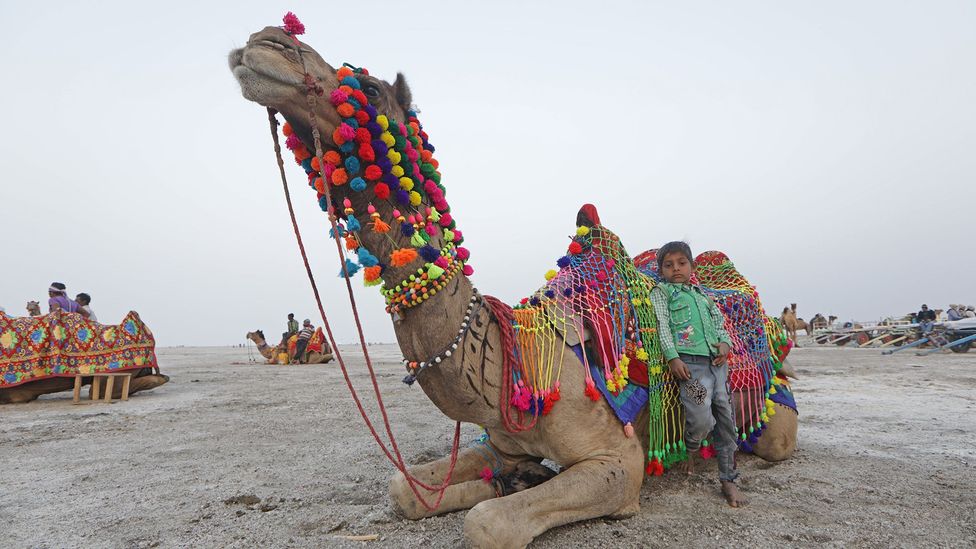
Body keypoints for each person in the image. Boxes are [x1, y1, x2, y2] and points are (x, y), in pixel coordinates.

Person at [649, 241, 746, 507]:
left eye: (681, 263)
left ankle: (728, 479)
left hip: (717, 365)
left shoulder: (702, 295)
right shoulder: (662, 292)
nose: (676, 269)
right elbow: (662, 325)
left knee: (726, 419)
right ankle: (692, 448)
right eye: (668, 265)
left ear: (691, 266)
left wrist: (725, 343)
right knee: (702, 418)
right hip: (690, 367)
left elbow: (719, 324)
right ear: (661, 270)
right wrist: (672, 357)